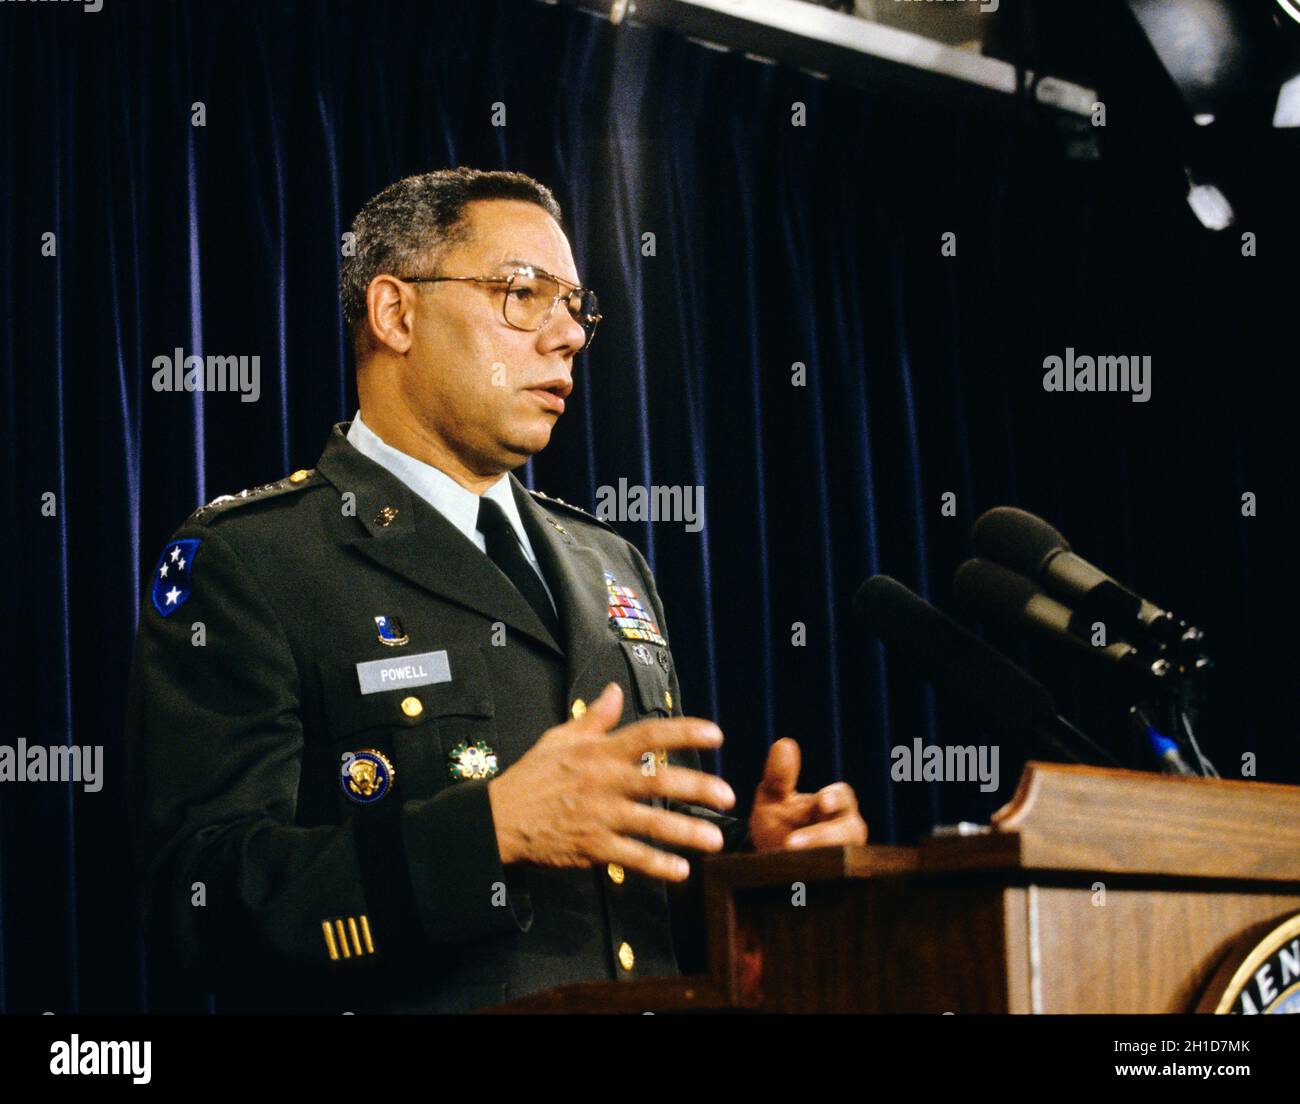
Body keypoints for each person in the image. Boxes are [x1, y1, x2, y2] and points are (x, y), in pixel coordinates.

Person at [125, 167, 867, 1013]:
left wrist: (752, 871)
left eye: (576, 307)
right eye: (523, 293)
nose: (569, 337)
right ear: (396, 314)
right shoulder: (256, 560)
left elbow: (630, 906)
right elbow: (199, 908)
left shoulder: (608, 561)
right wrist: (488, 835)